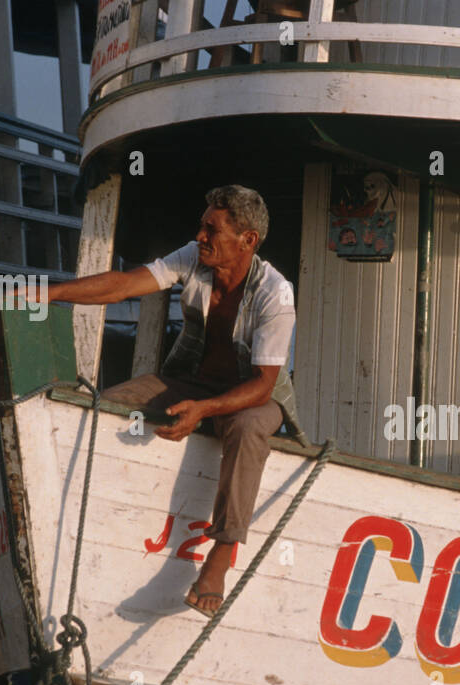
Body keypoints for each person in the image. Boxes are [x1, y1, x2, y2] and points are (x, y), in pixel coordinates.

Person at [37, 185, 304, 616]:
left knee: (248, 426)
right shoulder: (195, 257)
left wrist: (206, 411)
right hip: (192, 382)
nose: (200, 235)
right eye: (201, 226)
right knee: (110, 404)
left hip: (253, 396)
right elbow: (125, 284)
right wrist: (51, 294)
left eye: (211, 229)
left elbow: (263, 385)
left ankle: (220, 554)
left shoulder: (276, 293)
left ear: (247, 240)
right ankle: (85, 517)